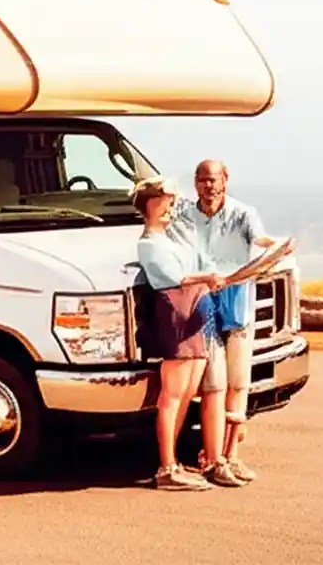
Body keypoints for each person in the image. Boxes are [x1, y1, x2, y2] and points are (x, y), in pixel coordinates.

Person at [168, 159, 292, 486]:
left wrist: (279, 246)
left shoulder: (243, 213)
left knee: (238, 382)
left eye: (214, 179)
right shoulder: (184, 215)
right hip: (202, 300)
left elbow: (261, 240)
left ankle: (231, 455)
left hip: (237, 298)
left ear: (225, 180)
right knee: (213, 383)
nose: (209, 186)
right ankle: (211, 457)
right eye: (203, 180)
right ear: (196, 183)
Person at [131, 176, 226, 491]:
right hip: (176, 312)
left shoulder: (170, 239)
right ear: (150, 204)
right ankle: (166, 466)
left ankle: (172, 462)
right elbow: (172, 277)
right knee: (171, 394)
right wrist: (207, 277)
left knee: (187, 391)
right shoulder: (148, 244)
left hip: (194, 313)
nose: (171, 206)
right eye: (165, 201)